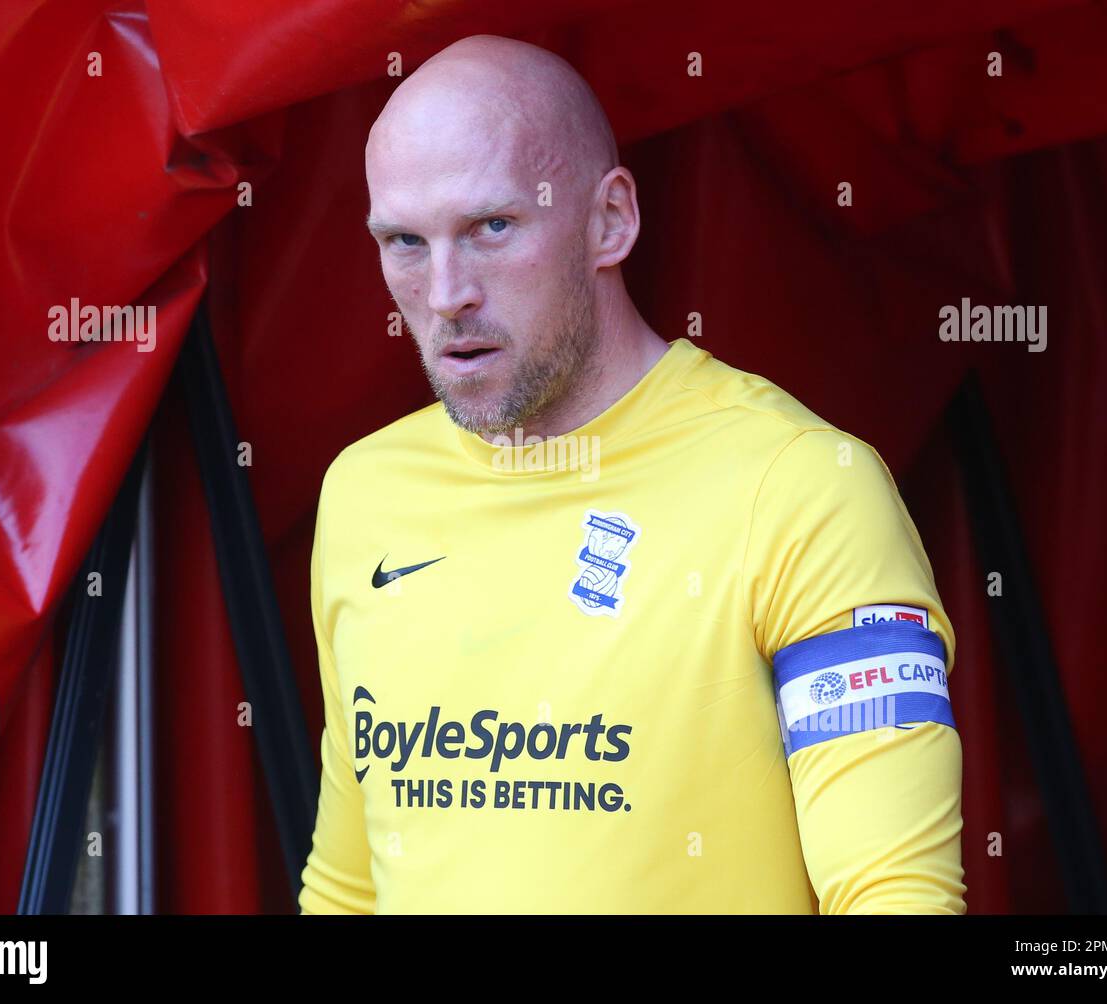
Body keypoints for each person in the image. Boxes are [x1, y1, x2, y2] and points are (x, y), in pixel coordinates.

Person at [298, 34, 965, 913]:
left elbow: (896, 897)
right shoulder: (364, 492)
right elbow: (347, 890)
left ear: (610, 220)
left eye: (491, 227)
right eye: (406, 242)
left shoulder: (802, 488)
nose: (446, 290)